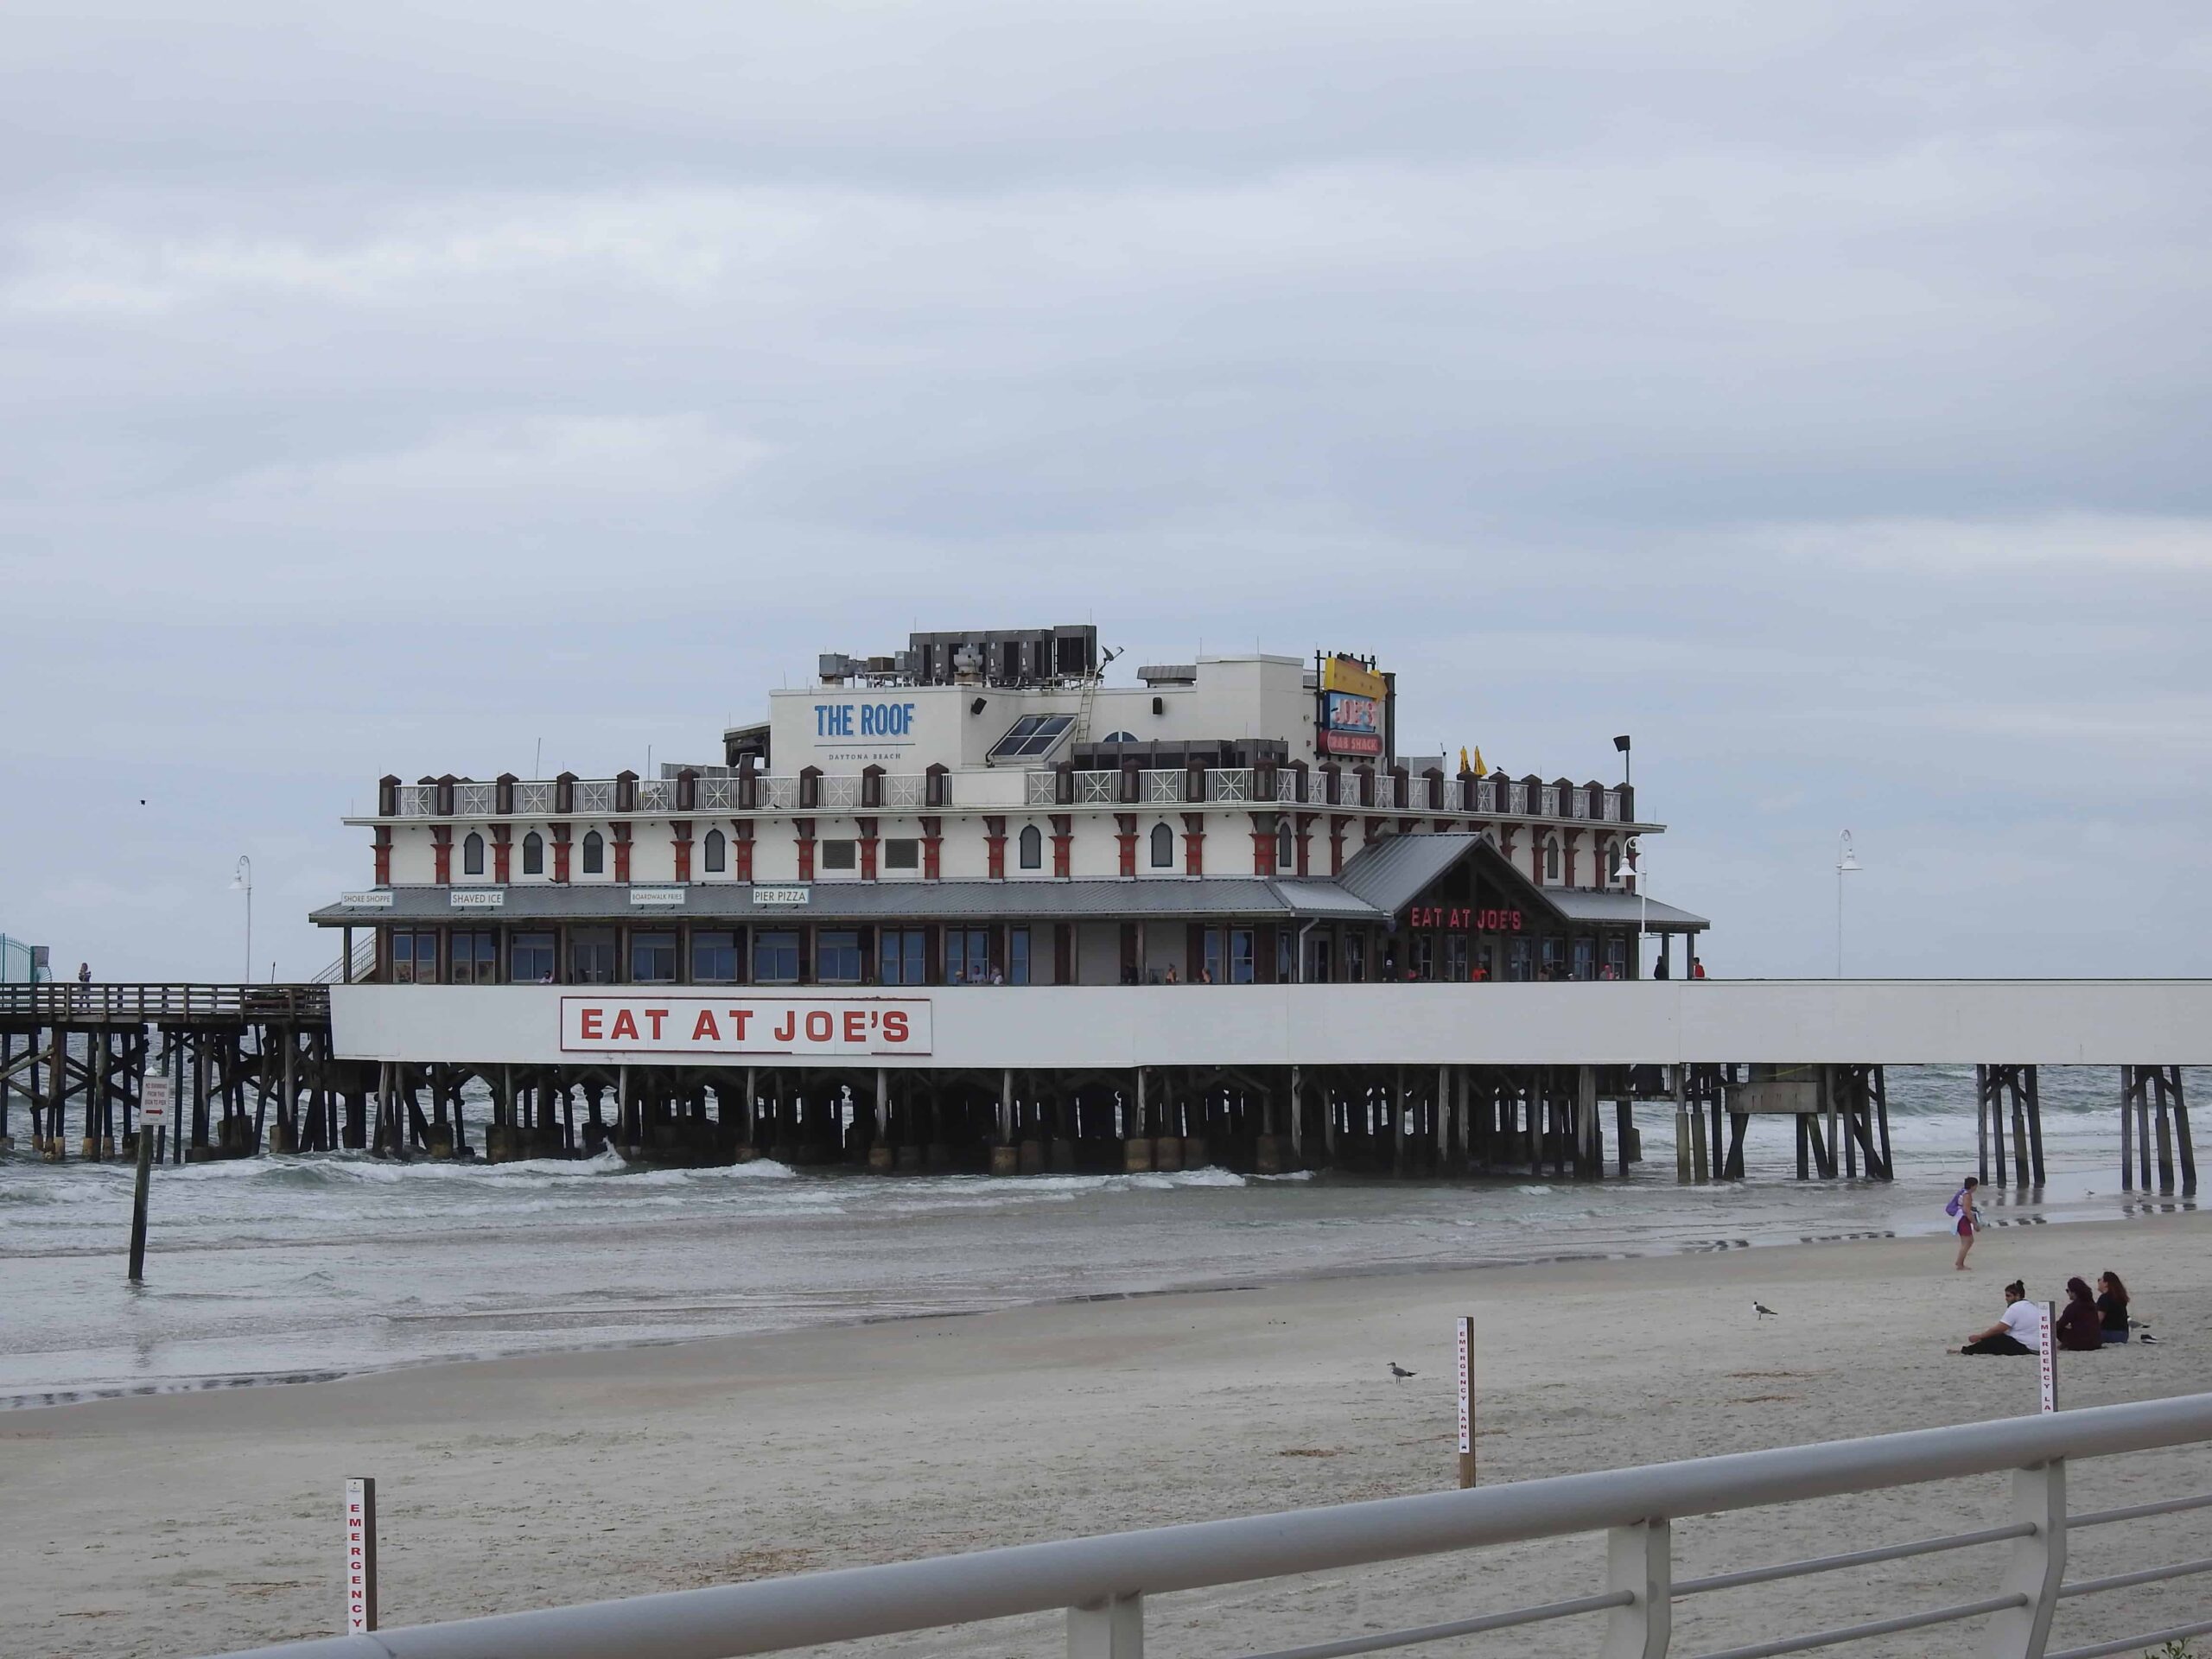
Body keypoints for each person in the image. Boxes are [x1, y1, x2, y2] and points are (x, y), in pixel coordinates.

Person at [1957, 1281, 2041, 1355]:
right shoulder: (2032, 1306)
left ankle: (1965, 1350)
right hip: (2039, 1346)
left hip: (2027, 1346)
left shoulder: (2015, 1308)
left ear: (2017, 1296)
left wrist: (1980, 1336)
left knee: (1994, 1339)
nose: (2006, 1299)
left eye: (2009, 1296)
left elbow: (1999, 1329)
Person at [2056, 1278, 2104, 1352]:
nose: (2068, 1293)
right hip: (2096, 1343)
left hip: (2079, 1345)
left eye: (2068, 1290)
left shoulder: (2072, 1307)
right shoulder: (2093, 1305)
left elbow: (2061, 1324)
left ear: (2074, 1292)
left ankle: (2064, 1344)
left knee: (2056, 1325)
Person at [1949, 1174, 1980, 1270]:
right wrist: (1975, 1223)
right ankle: (1960, 1264)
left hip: (1959, 1219)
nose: (1976, 1188)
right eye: (1976, 1186)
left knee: (1966, 1242)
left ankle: (1959, 1262)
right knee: (1968, 1241)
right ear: (1973, 1186)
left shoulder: (1962, 1192)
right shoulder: (1967, 1195)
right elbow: (1966, 1210)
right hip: (1962, 1219)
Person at [2096, 1271, 2131, 1344]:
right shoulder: (2119, 1297)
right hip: (2123, 1335)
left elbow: (2098, 1320)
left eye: (2100, 1280)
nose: (2098, 1282)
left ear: (2106, 1283)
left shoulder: (2104, 1298)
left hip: (2109, 1334)